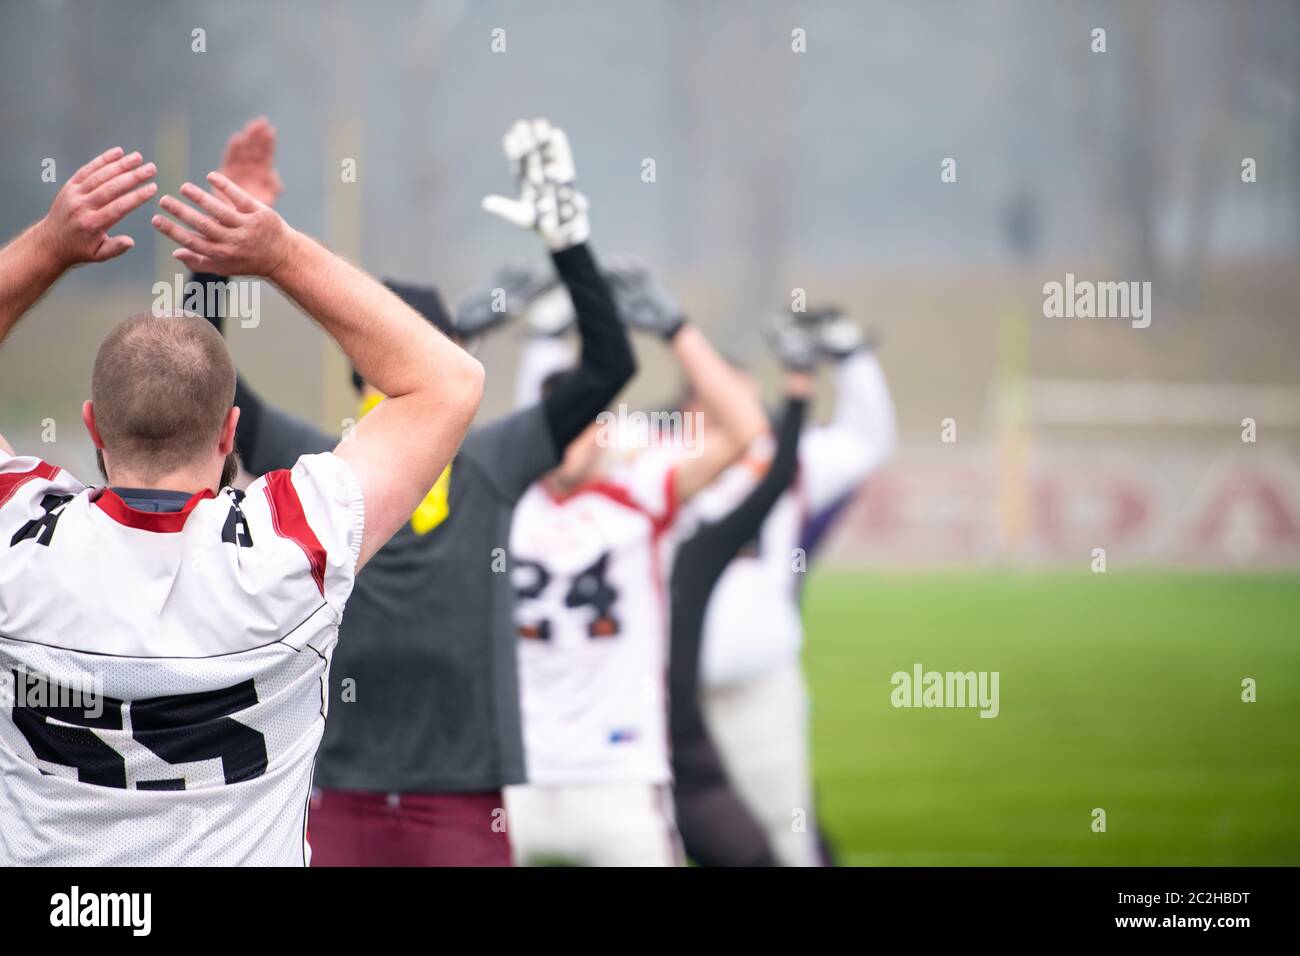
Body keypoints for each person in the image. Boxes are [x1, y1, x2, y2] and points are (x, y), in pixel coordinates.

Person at [0, 146, 483, 865]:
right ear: (230, 432)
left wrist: (46, 247)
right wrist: (279, 252)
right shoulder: (292, 546)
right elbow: (448, 379)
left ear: (93, 424)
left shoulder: (17, 537)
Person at [193, 118, 635, 865]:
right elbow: (200, 378)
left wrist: (570, 241)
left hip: (461, 791)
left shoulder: (491, 458)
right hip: (336, 786)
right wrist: (221, 246)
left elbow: (606, 368)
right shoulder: (321, 460)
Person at [503, 263, 768, 866]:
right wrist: (460, 339)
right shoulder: (503, 496)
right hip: (518, 775)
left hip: (618, 774)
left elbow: (746, 427)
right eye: (554, 426)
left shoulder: (640, 490)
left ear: (605, 429)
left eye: (580, 424)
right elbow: (413, 432)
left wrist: (678, 331)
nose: (565, 441)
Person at [684, 305, 897, 866]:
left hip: (761, 687)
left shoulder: (788, 465)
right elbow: (556, 439)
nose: (748, 418)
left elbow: (866, 441)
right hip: (665, 699)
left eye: (752, 402)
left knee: (787, 833)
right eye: (728, 400)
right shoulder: (650, 464)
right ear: (691, 407)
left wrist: (851, 357)